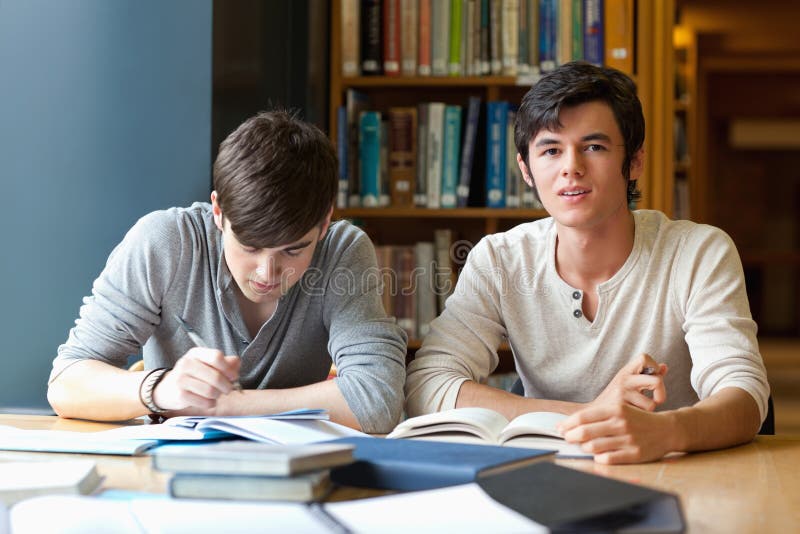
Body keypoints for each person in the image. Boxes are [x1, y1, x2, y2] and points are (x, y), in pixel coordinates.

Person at [405, 62, 770, 463]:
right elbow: (427, 385)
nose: (571, 167)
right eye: (550, 150)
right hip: (546, 475)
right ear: (525, 169)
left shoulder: (699, 253)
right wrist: (594, 417)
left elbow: (745, 395)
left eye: (593, 147)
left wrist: (665, 432)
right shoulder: (500, 259)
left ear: (634, 162)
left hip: (675, 470)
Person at [48, 110, 407, 433]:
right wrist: (161, 389)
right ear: (219, 212)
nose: (268, 272)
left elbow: (378, 399)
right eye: (249, 247)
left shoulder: (342, 250)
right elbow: (66, 382)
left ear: (326, 220)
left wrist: (229, 406)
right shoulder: (165, 241)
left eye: (294, 249)